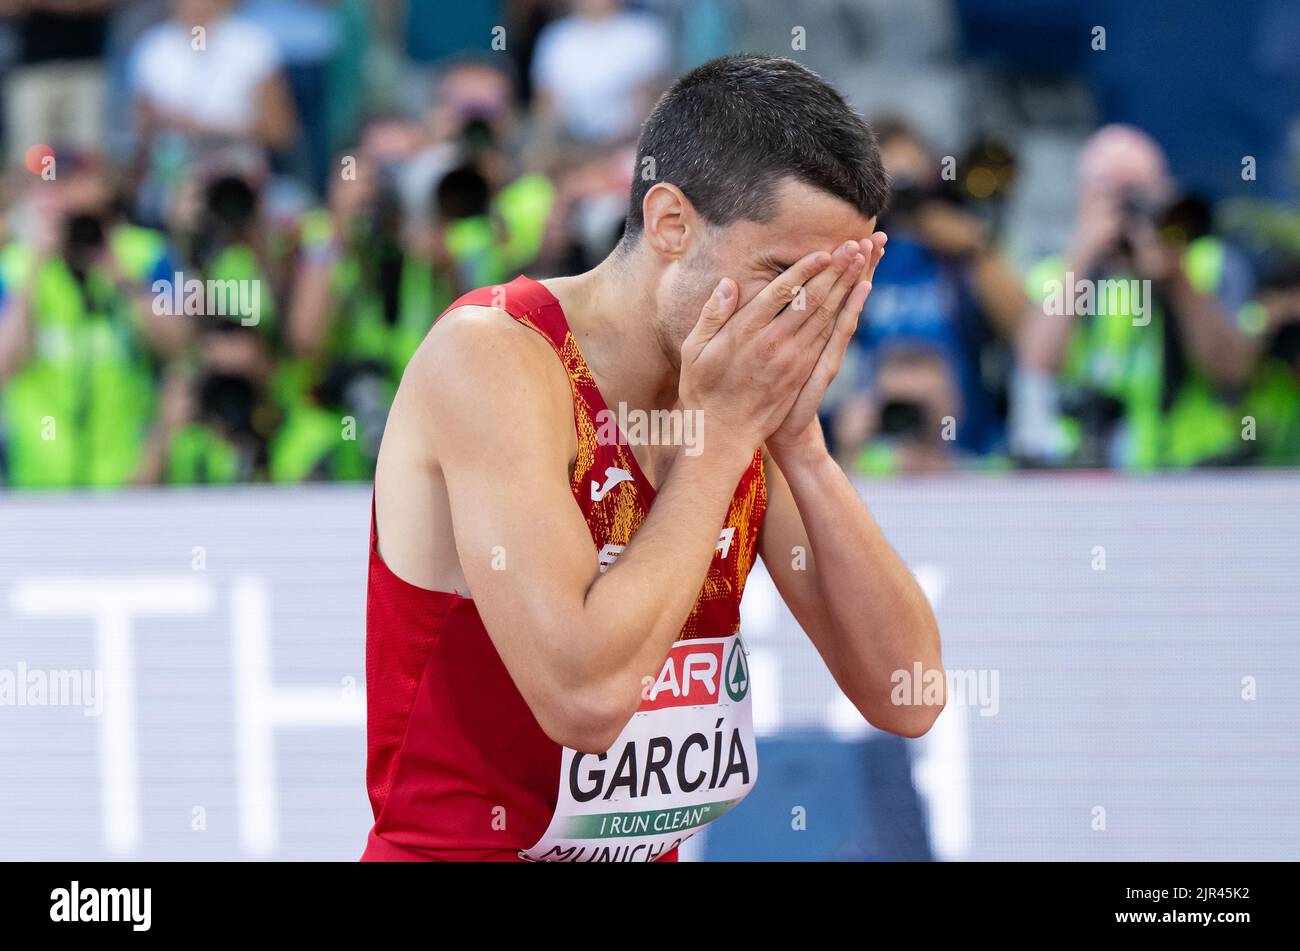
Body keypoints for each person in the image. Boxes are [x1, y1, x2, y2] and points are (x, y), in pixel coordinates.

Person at [363, 54, 944, 863]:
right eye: (781, 275)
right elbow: (585, 700)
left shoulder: (740, 395)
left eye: (830, 288)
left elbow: (907, 694)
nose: (800, 317)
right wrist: (725, 439)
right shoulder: (494, 357)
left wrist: (802, 445)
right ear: (670, 222)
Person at [1013, 124, 1257, 469]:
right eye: (1111, 196)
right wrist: (1082, 256)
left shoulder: (1209, 264)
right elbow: (1036, 369)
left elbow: (1232, 372)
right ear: (1083, 198)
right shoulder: (1056, 273)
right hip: (1084, 474)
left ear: (1163, 193)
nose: (1127, 213)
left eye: (1138, 196)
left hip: (1192, 471)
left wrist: (1176, 276)